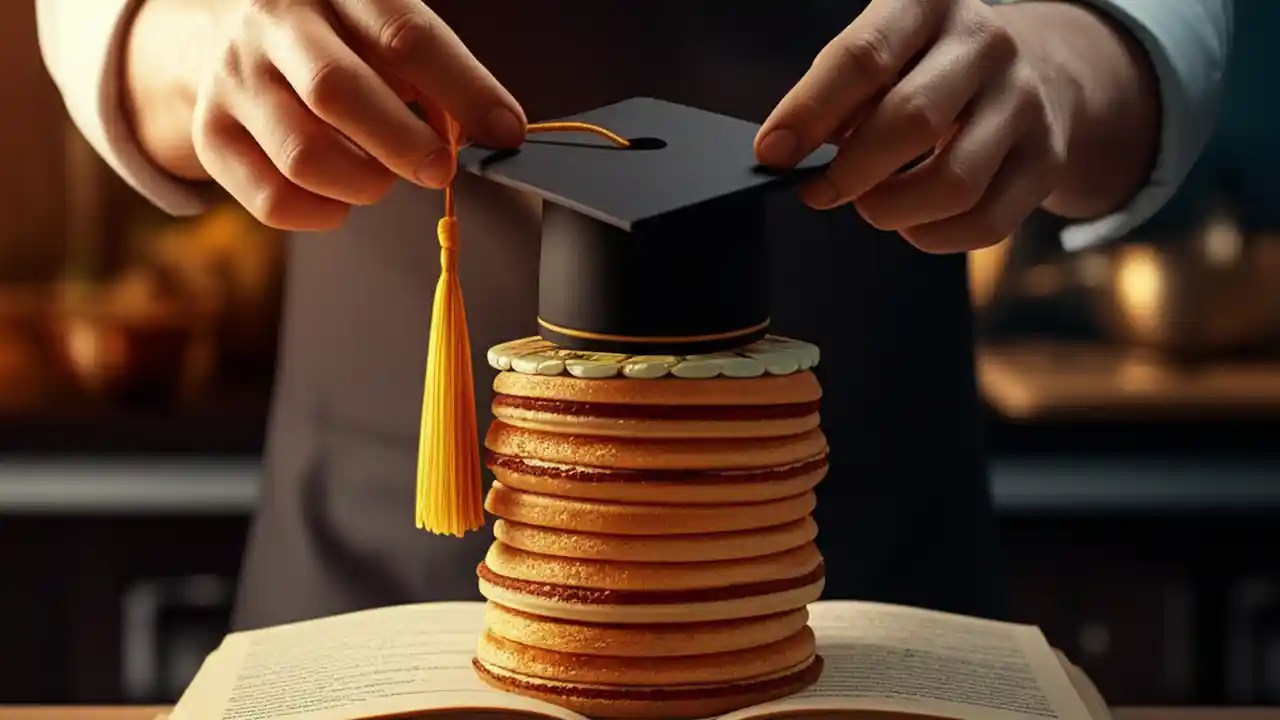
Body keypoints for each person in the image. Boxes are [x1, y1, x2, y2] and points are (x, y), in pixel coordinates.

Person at [39, 0, 1230, 630]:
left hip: (863, 571)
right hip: (385, 536)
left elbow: (1139, 23)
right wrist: (189, 35)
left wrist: (1064, 66)